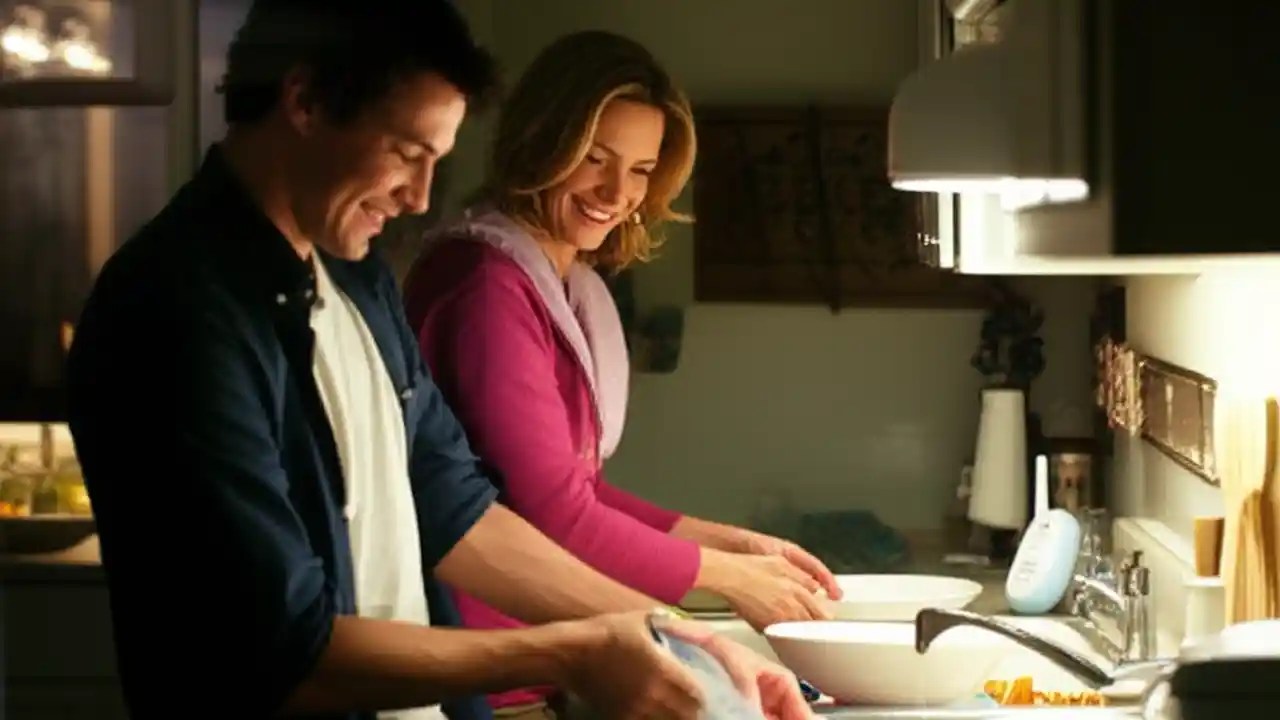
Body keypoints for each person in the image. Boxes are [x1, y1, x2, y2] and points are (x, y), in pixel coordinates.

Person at [64, 3, 810, 720]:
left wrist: (680, 635)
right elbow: (278, 652)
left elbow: (457, 510)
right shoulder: (177, 307)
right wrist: (574, 652)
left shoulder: (356, 278)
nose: (421, 197)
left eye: (436, 161)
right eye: (407, 152)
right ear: (305, 101)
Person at [403, 30, 842, 718]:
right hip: (486, 670)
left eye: (641, 169)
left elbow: (579, 488)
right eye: (595, 158)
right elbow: (553, 514)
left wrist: (737, 547)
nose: (618, 192)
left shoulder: (553, 278)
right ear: (542, 143)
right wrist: (728, 579)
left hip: (533, 658)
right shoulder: (486, 285)